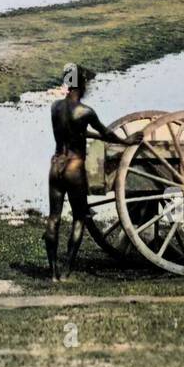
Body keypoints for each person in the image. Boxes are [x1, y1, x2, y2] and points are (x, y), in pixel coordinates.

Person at [45, 64, 137, 281]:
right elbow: (105, 133)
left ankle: (52, 272)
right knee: (79, 217)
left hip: (56, 165)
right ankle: (66, 270)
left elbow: (74, 131)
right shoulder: (86, 112)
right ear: (82, 85)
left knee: (53, 218)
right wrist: (126, 141)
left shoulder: (55, 108)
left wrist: (91, 136)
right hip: (75, 168)